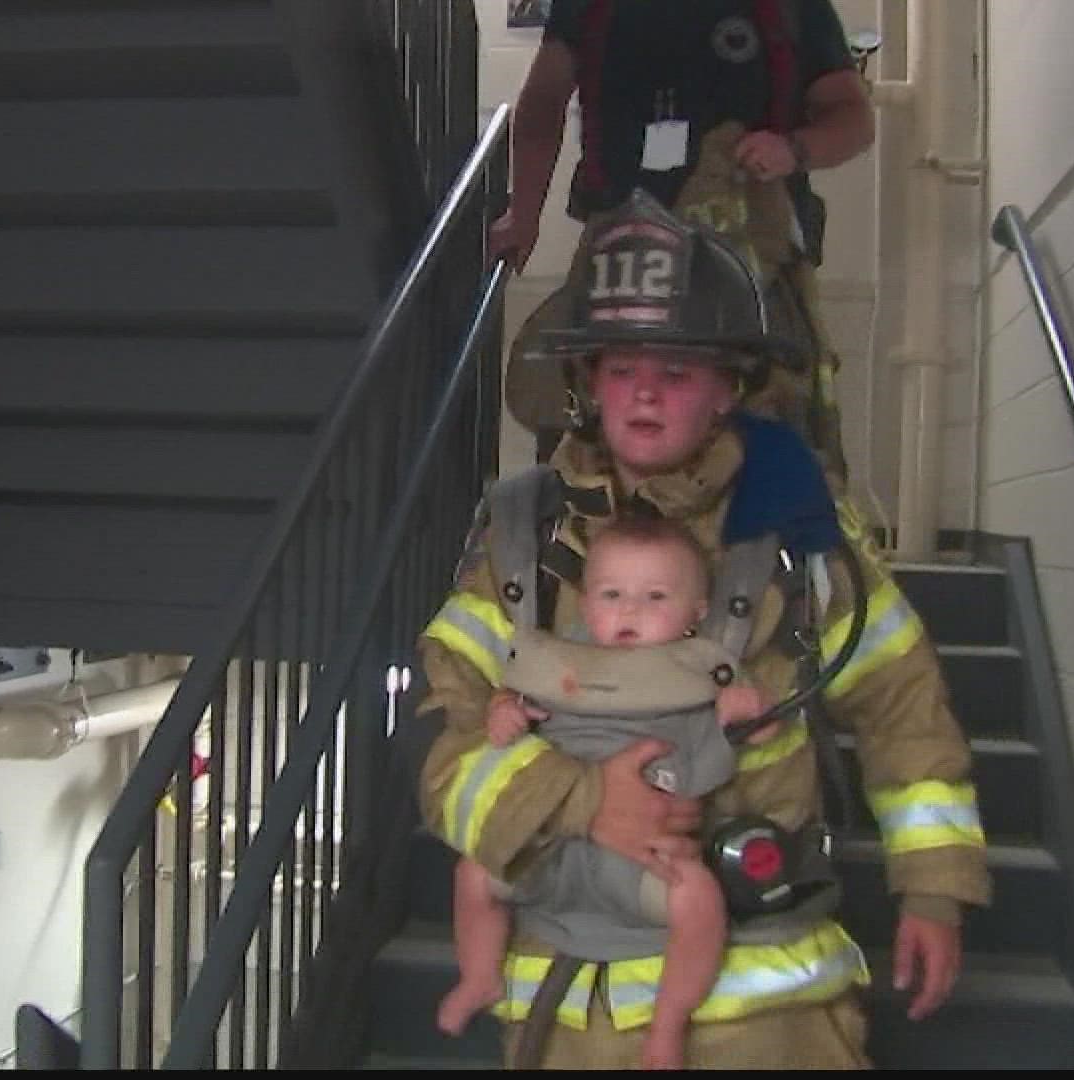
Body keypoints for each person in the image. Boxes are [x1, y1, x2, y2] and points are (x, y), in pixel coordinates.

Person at [413, 192, 989, 1068]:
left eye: (678, 371)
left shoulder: (796, 536)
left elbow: (902, 707)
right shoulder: (522, 543)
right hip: (562, 1007)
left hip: (760, 1012)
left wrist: (935, 889)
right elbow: (440, 743)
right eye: (621, 367)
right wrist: (583, 800)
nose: (645, 390)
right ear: (586, 381)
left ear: (728, 390)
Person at [435, 516, 780, 1069]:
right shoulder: (554, 667)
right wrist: (503, 713)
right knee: (474, 874)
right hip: (553, 850)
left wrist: (747, 717)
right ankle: (480, 977)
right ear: (586, 603)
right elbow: (513, 727)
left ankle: (668, 1024)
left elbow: (734, 746)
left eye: (655, 596)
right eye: (612, 594)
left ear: (697, 611)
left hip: (643, 864)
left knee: (700, 899)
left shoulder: (698, 681)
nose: (630, 611)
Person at [490, 0, 878, 480]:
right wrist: (522, 215)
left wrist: (795, 150)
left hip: (754, 261)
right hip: (621, 258)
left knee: (767, 423)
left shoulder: (793, 8)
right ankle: (587, 543)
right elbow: (543, 102)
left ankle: (767, 546)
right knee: (590, 432)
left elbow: (853, 118)